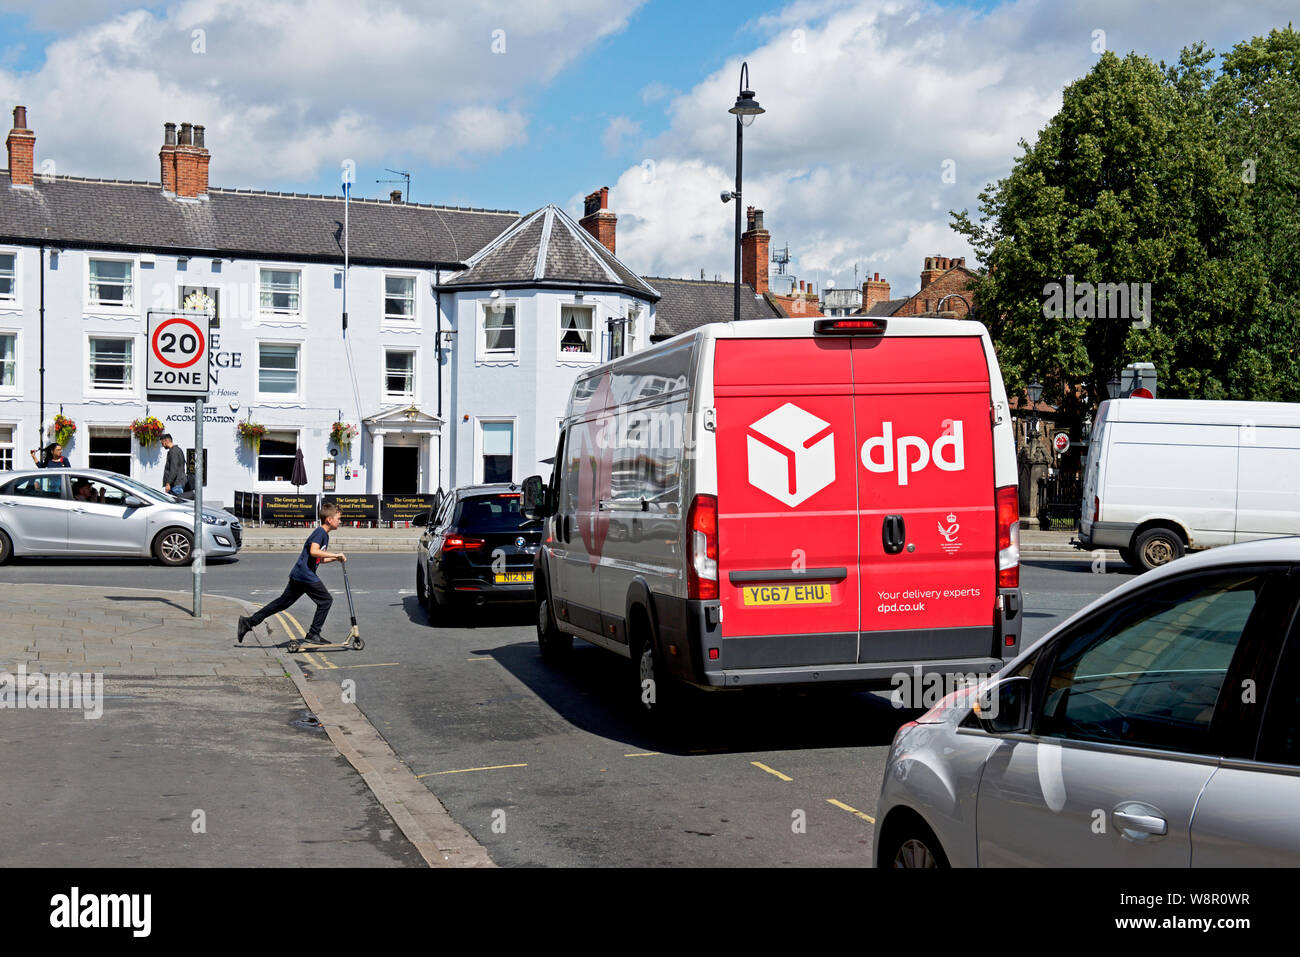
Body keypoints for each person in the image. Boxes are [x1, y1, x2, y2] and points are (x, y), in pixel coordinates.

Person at [238, 503, 346, 645]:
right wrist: (335, 553)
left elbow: (318, 557)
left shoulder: (324, 535)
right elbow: (314, 551)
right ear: (329, 520)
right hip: (305, 575)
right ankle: (314, 633)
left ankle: (249, 622)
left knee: (281, 603)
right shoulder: (320, 533)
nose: (340, 521)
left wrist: (335, 558)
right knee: (326, 600)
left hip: (300, 575)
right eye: (338, 518)